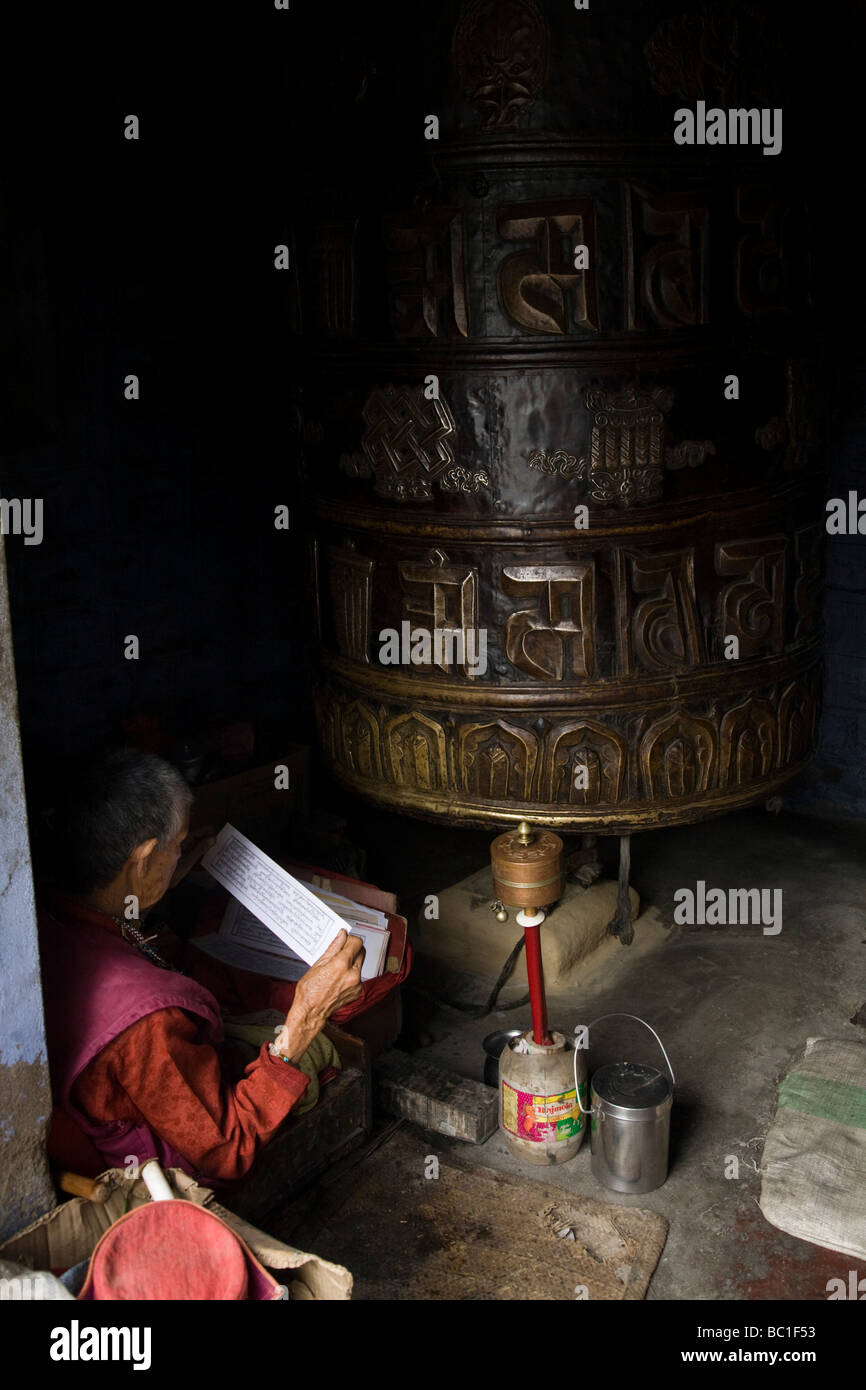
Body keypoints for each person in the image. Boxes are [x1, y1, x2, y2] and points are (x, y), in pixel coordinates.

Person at [36, 748, 364, 1185]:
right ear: (143, 857)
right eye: (174, 848)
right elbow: (227, 1151)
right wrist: (306, 1015)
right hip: (160, 1171)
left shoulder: (43, 916)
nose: (181, 853)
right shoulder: (149, 1025)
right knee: (317, 1052)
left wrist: (157, 880)